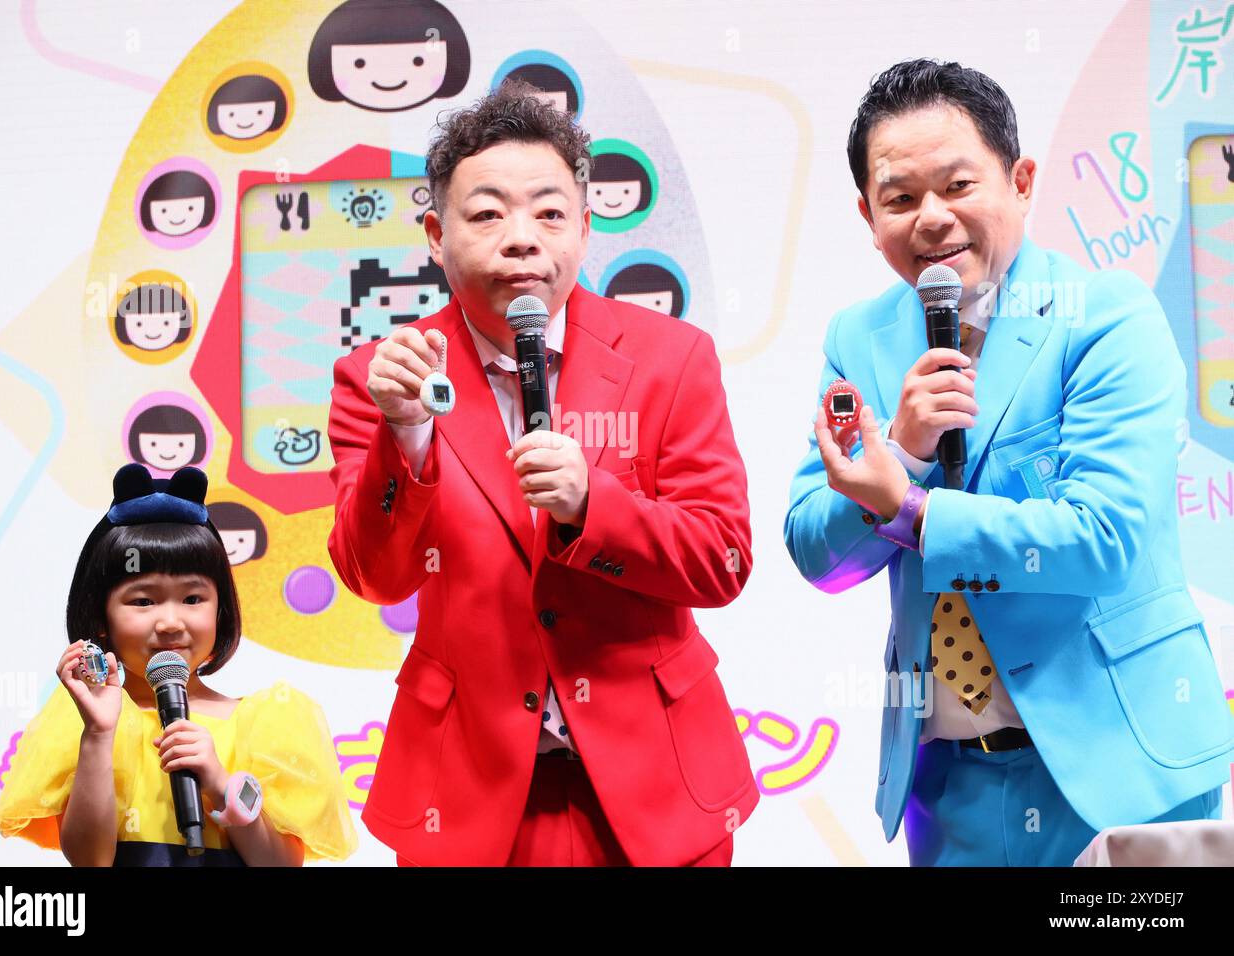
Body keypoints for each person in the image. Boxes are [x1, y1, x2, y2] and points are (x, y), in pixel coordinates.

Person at [783, 59, 1234, 866]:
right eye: (899, 198)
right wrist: (907, 456)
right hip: (947, 791)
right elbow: (818, 551)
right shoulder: (858, 338)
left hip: (1124, 769)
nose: (931, 219)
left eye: (958, 185)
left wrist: (911, 511)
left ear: (1021, 181)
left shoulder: (1107, 316)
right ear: (867, 213)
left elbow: (1102, 537)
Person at [326, 83, 757, 866]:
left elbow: (723, 561)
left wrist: (596, 504)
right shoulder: (380, 378)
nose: (522, 238)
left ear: (586, 230)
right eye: (487, 213)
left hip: (656, 787)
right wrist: (407, 436)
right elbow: (373, 577)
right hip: (468, 791)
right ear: (435, 232)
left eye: (550, 213)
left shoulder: (671, 359)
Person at [0, 464, 357, 866]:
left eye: (192, 599)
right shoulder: (88, 721)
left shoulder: (265, 722)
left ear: (221, 610)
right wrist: (98, 734)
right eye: (143, 601)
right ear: (100, 616)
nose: (170, 622)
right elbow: (89, 859)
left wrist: (220, 784)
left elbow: (280, 864)